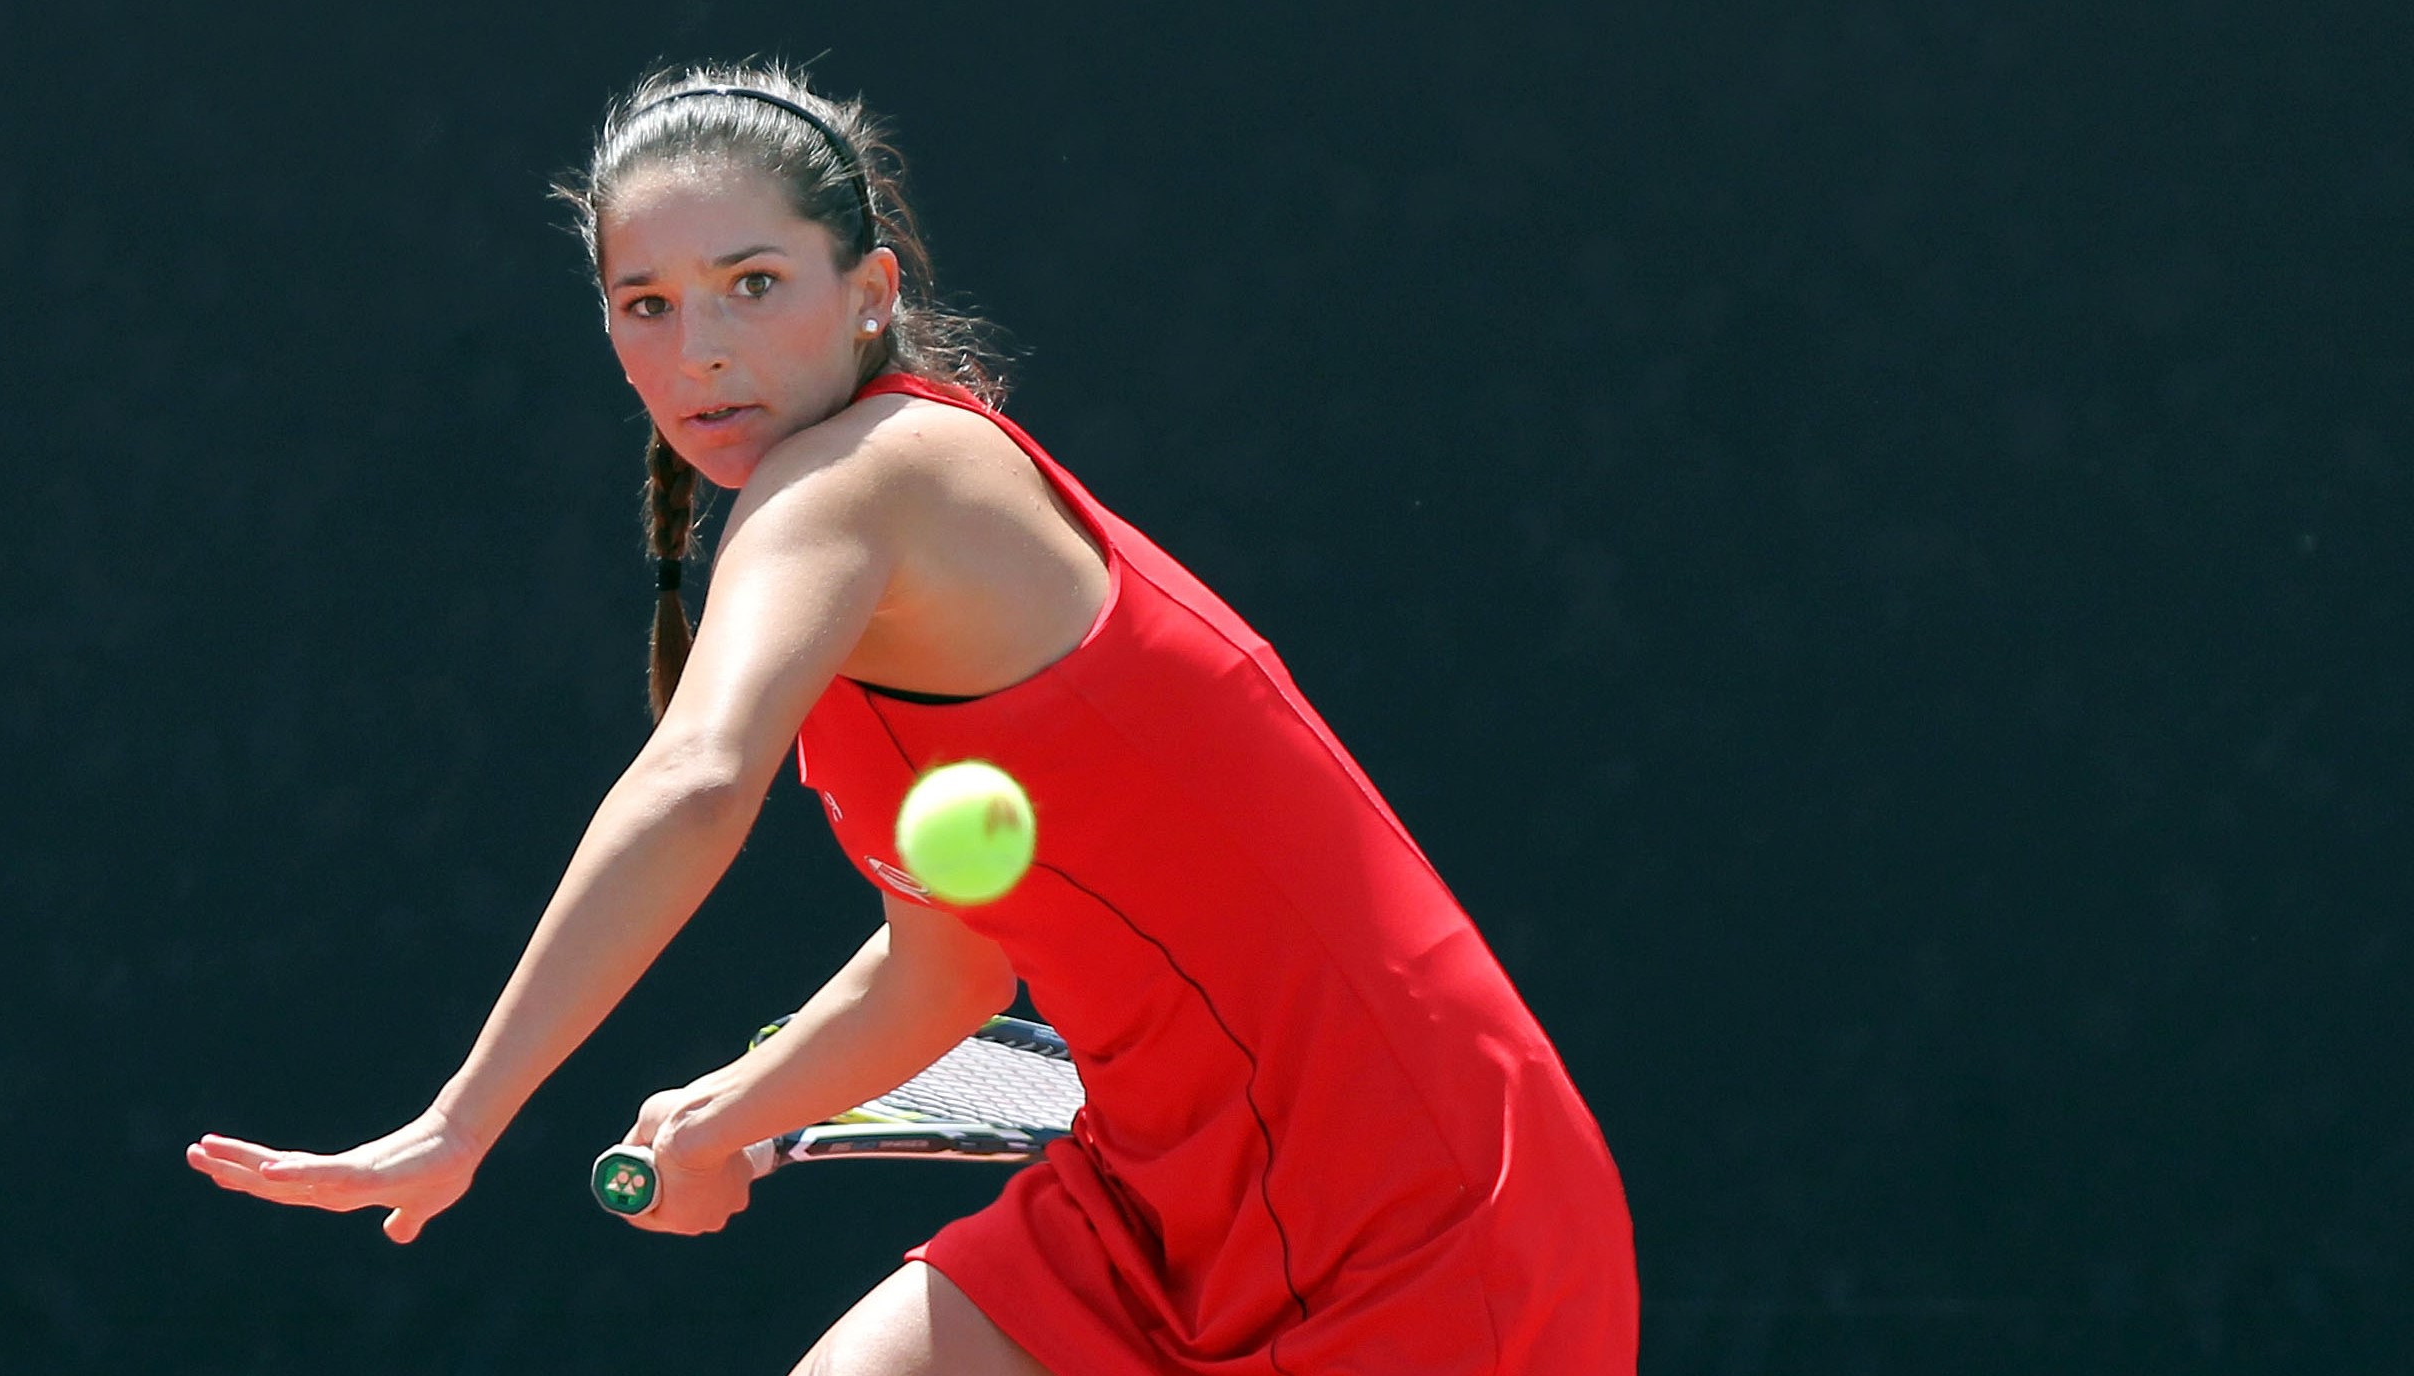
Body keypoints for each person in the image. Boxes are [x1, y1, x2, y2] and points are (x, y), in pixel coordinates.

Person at [186, 62, 1638, 1375]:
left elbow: (697, 779)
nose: (700, 347)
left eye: (754, 283)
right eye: (648, 304)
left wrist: (464, 1118)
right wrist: (731, 1110)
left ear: (872, 288)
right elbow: (943, 976)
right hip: (1156, 1202)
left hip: (1429, 1206)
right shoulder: (856, 587)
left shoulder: (878, 479)